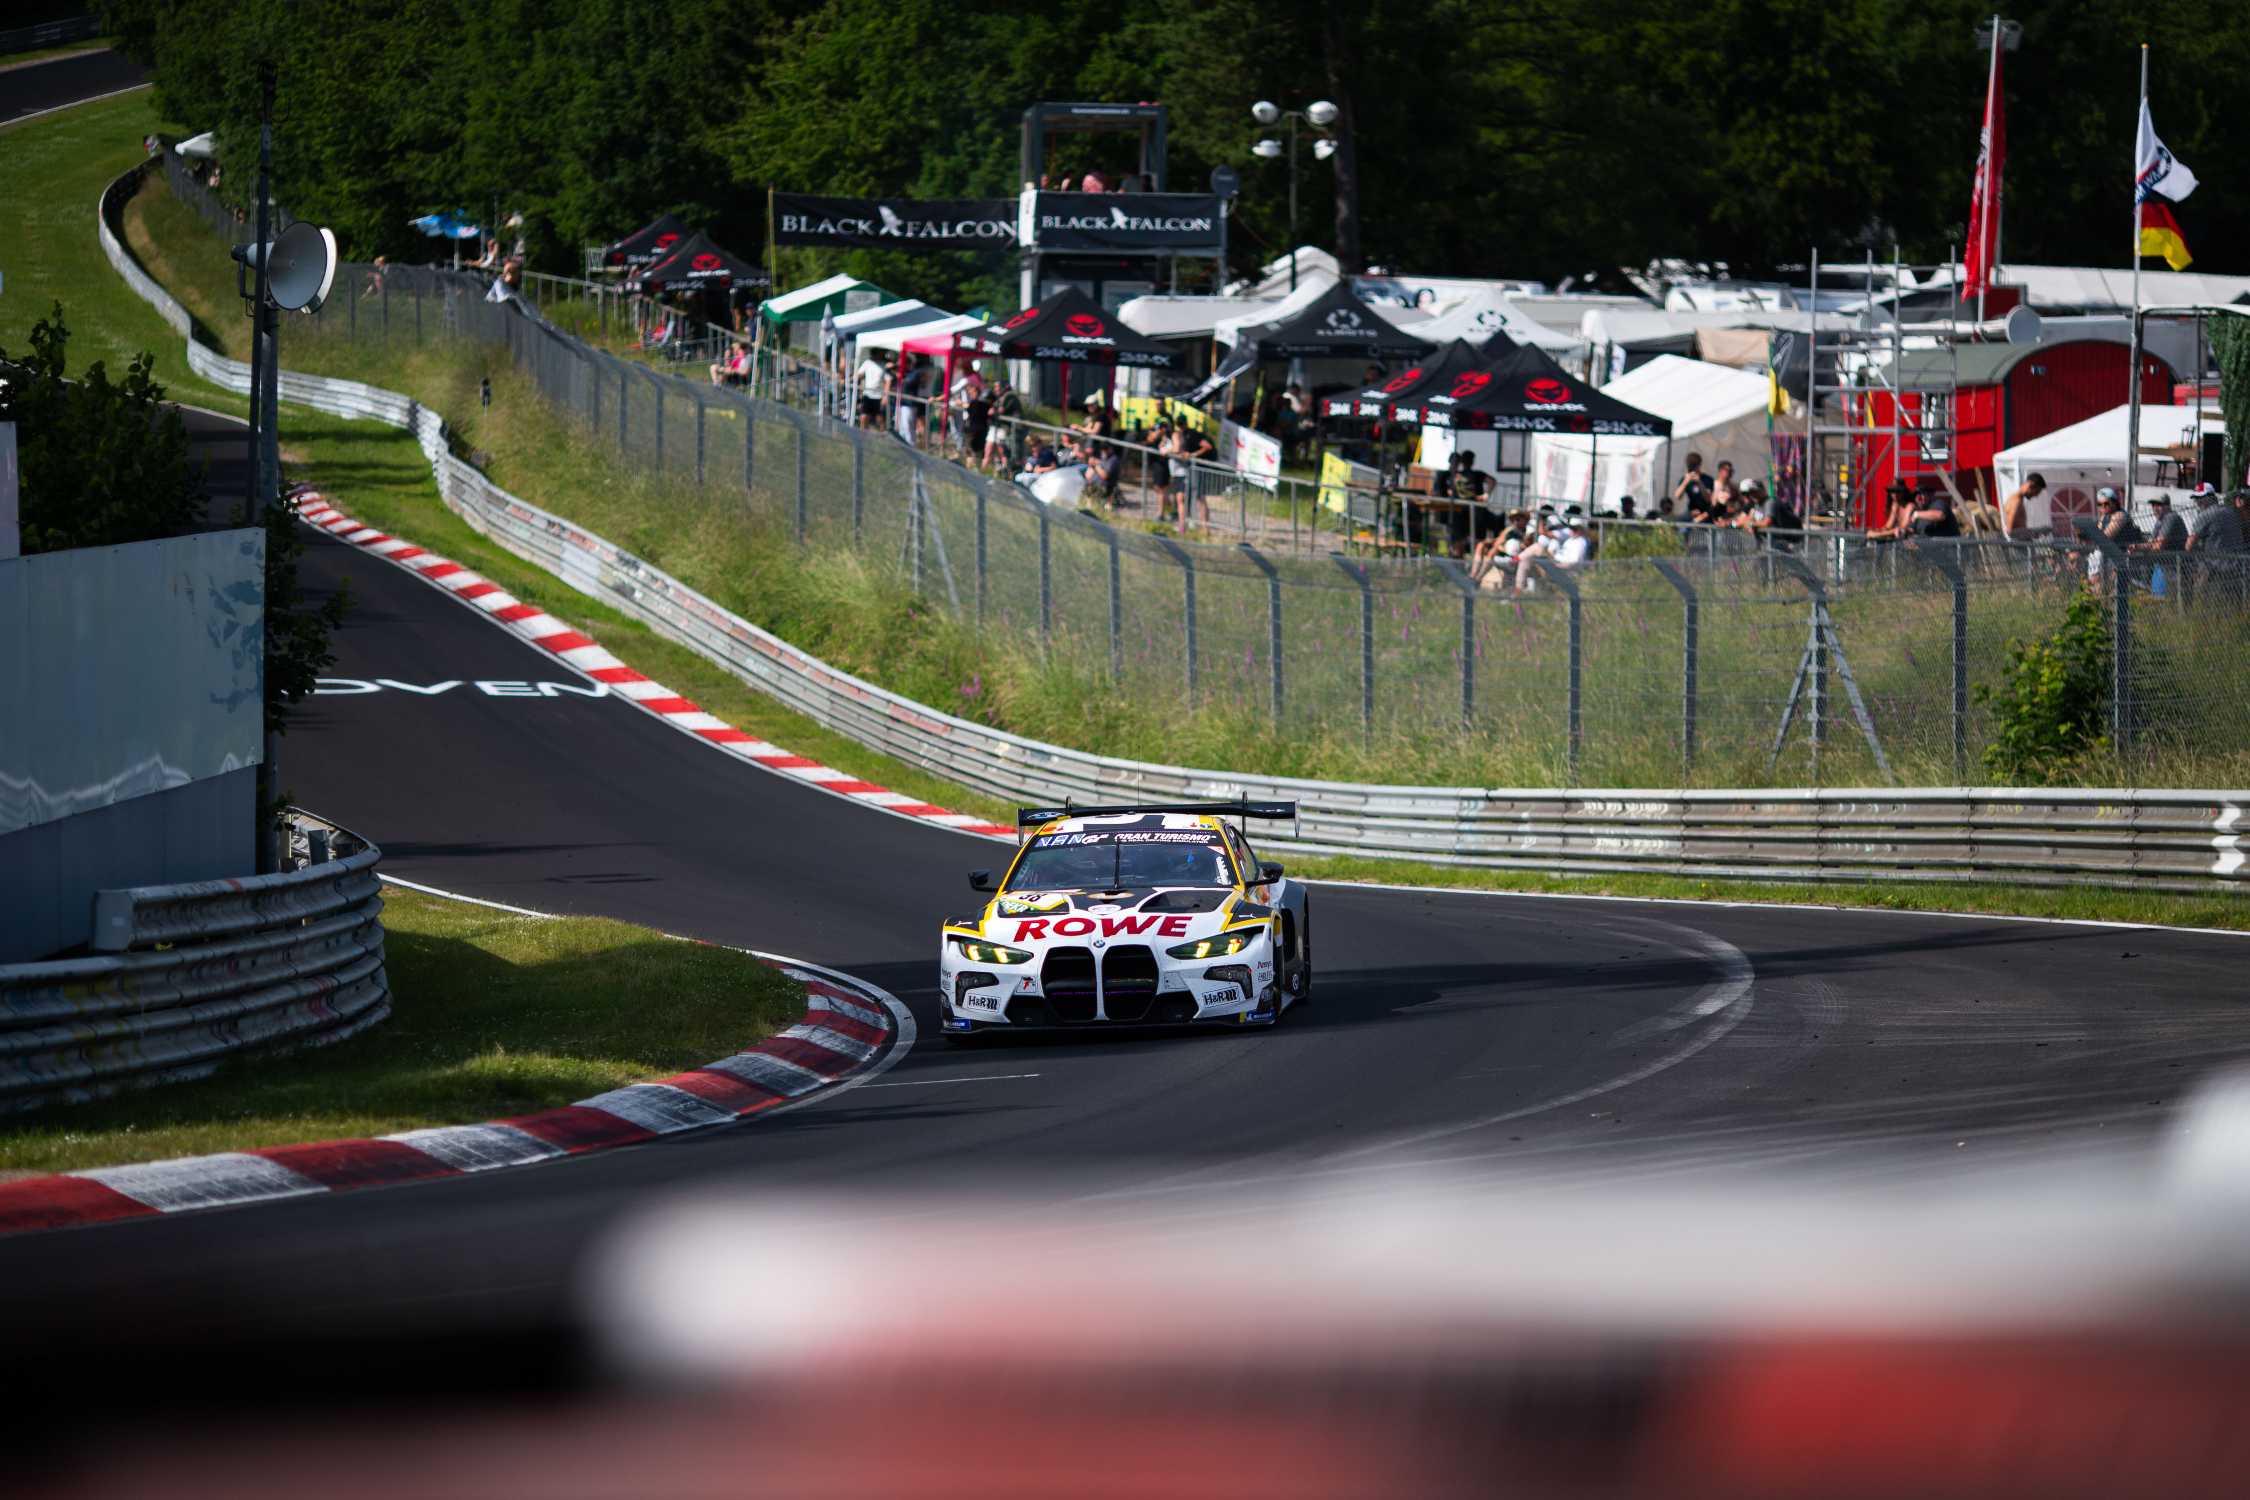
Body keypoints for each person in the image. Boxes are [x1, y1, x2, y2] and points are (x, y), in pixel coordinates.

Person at [2184, 481, 2244, 553]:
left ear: (2210, 497)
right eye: (2195, 498)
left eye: (2200, 497)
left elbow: (2189, 545)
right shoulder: (2230, 511)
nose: (2197, 502)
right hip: (2237, 561)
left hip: (2213, 562)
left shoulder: (2205, 514)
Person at [2000, 472, 2045, 541]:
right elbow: (2010, 531)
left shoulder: (2016, 499)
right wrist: (2034, 534)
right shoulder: (2016, 502)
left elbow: (2018, 527)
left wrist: (2035, 532)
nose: (2036, 496)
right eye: (2036, 492)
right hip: (2018, 546)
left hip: (2020, 544)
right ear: (2031, 485)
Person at [854, 351, 889, 428]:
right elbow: (858, 374)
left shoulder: (884, 365)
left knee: (879, 419)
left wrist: (885, 396)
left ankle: (883, 436)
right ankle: (862, 435)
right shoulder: (867, 363)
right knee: (863, 417)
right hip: (867, 395)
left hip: (879, 396)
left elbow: (888, 381)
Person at [1672, 452, 1712, 516]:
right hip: (1692, 512)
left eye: (1694, 465)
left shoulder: (1707, 479)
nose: (1692, 468)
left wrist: (1699, 483)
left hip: (1706, 513)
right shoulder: (1685, 479)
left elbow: (1708, 499)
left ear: (1699, 465)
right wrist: (1685, 482)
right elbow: (1677, 496)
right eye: (1690, 465)